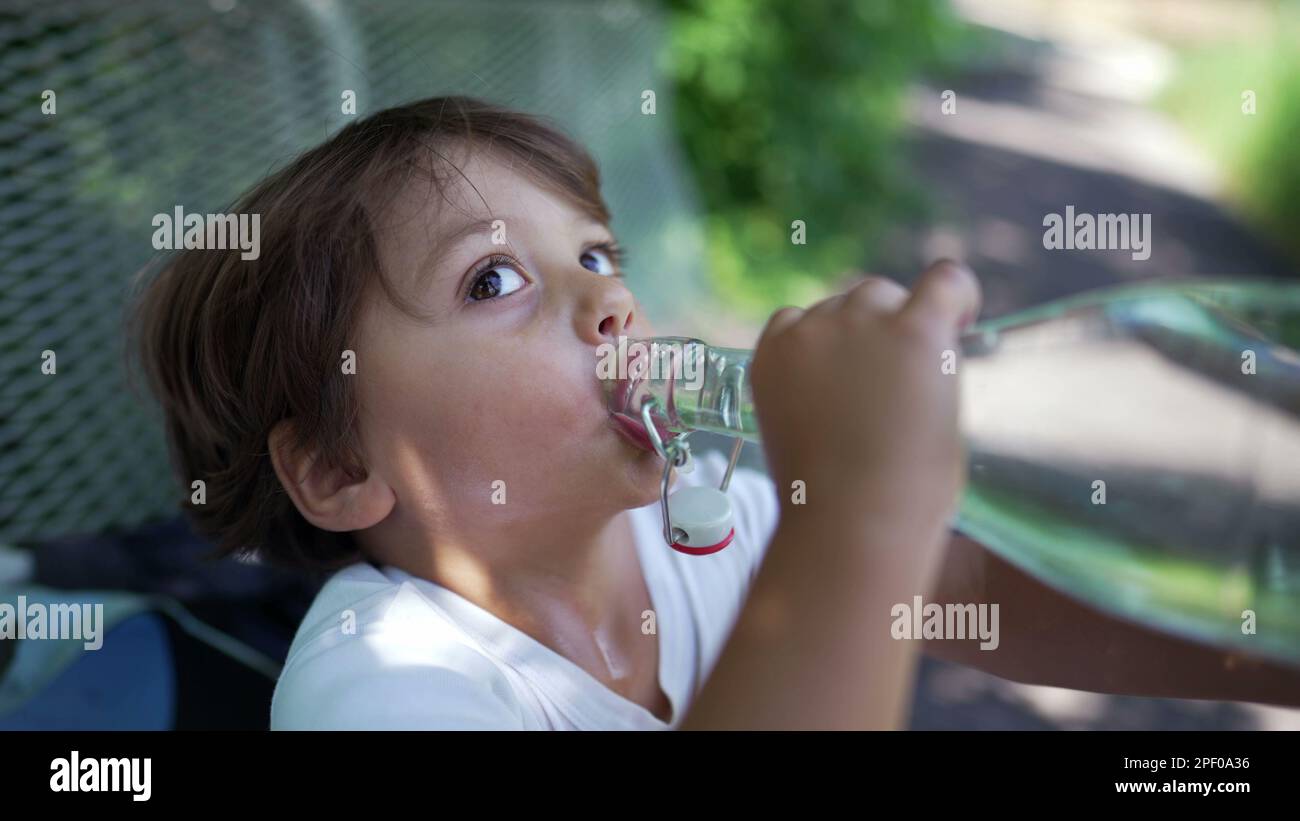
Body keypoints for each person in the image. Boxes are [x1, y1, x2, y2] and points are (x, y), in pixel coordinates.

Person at [130, 95, 1300, 730]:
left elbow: (972, 596)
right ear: (338, 468)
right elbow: (864, 563)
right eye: (494, 280)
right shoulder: (379, 686)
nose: (611, 299)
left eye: (598, 251)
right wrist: (854, 513)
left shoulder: (704, 524)